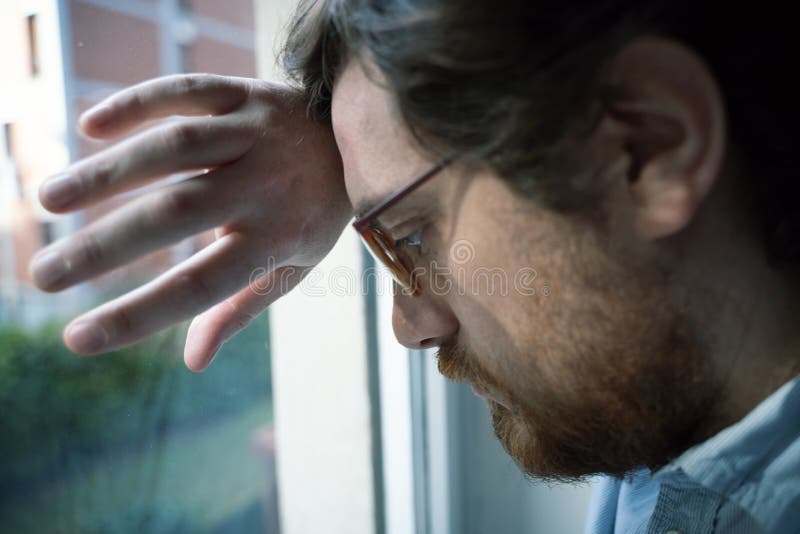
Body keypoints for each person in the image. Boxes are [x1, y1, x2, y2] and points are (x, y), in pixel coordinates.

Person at [29, 0, 800, 532]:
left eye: (415, 239)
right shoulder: (668, 403)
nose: (412, 324)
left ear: (645, 148)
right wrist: (353, 143)